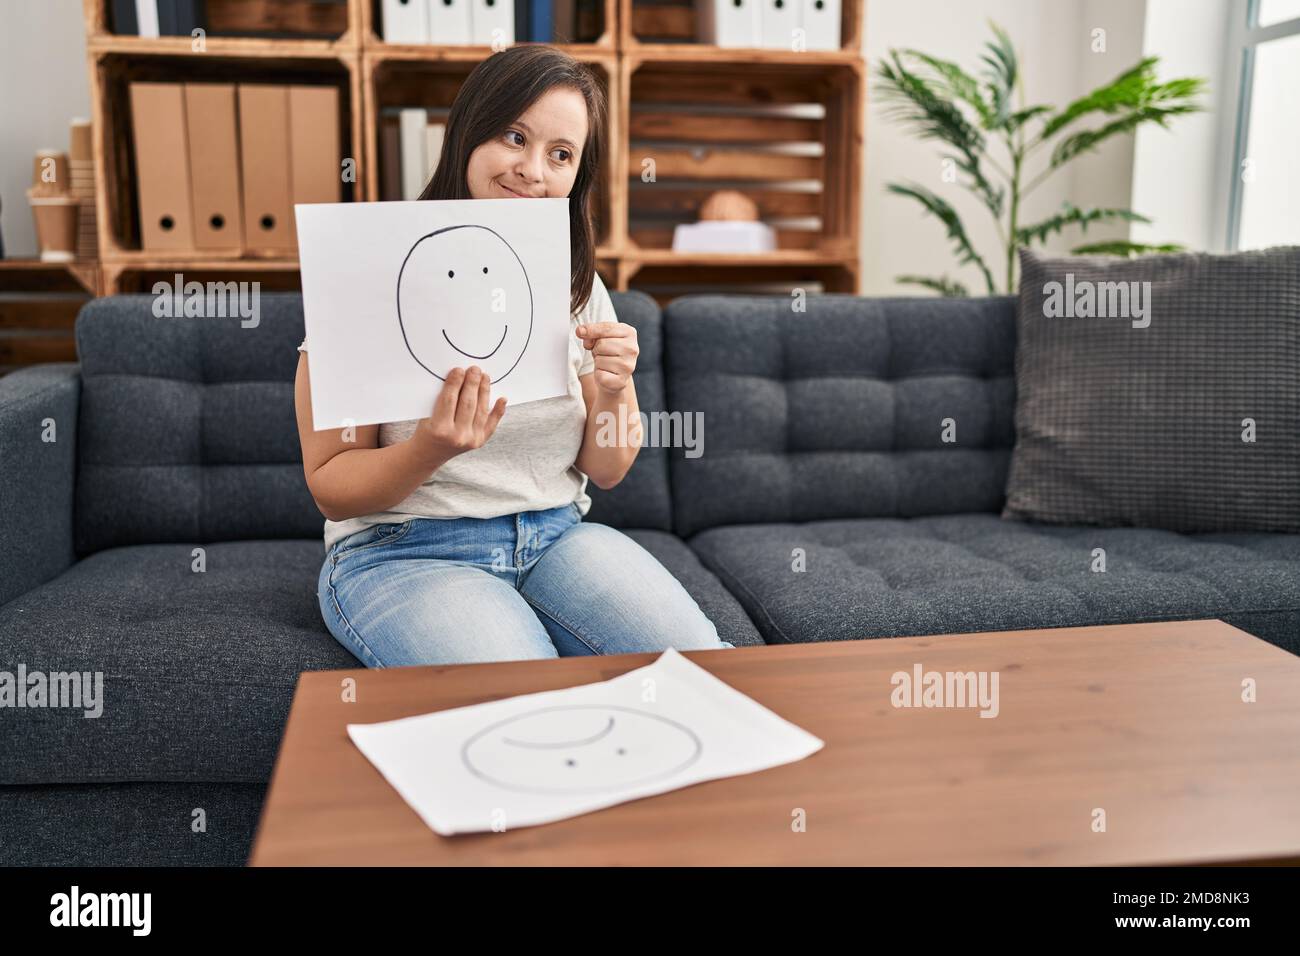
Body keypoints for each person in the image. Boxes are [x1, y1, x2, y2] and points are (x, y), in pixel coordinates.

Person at [294, 44, 735, 666]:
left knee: (704, 668)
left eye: (561, 154)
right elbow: (332, 486)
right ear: (468, 134)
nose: (533, 169)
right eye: (513, 136)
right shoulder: (370, 274)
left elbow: (606, 470)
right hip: (402, 550)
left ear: (576, 175)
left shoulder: (577, 285)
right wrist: (431, 449)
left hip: (555, 536)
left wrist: (613, 390)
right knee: (520, 700)